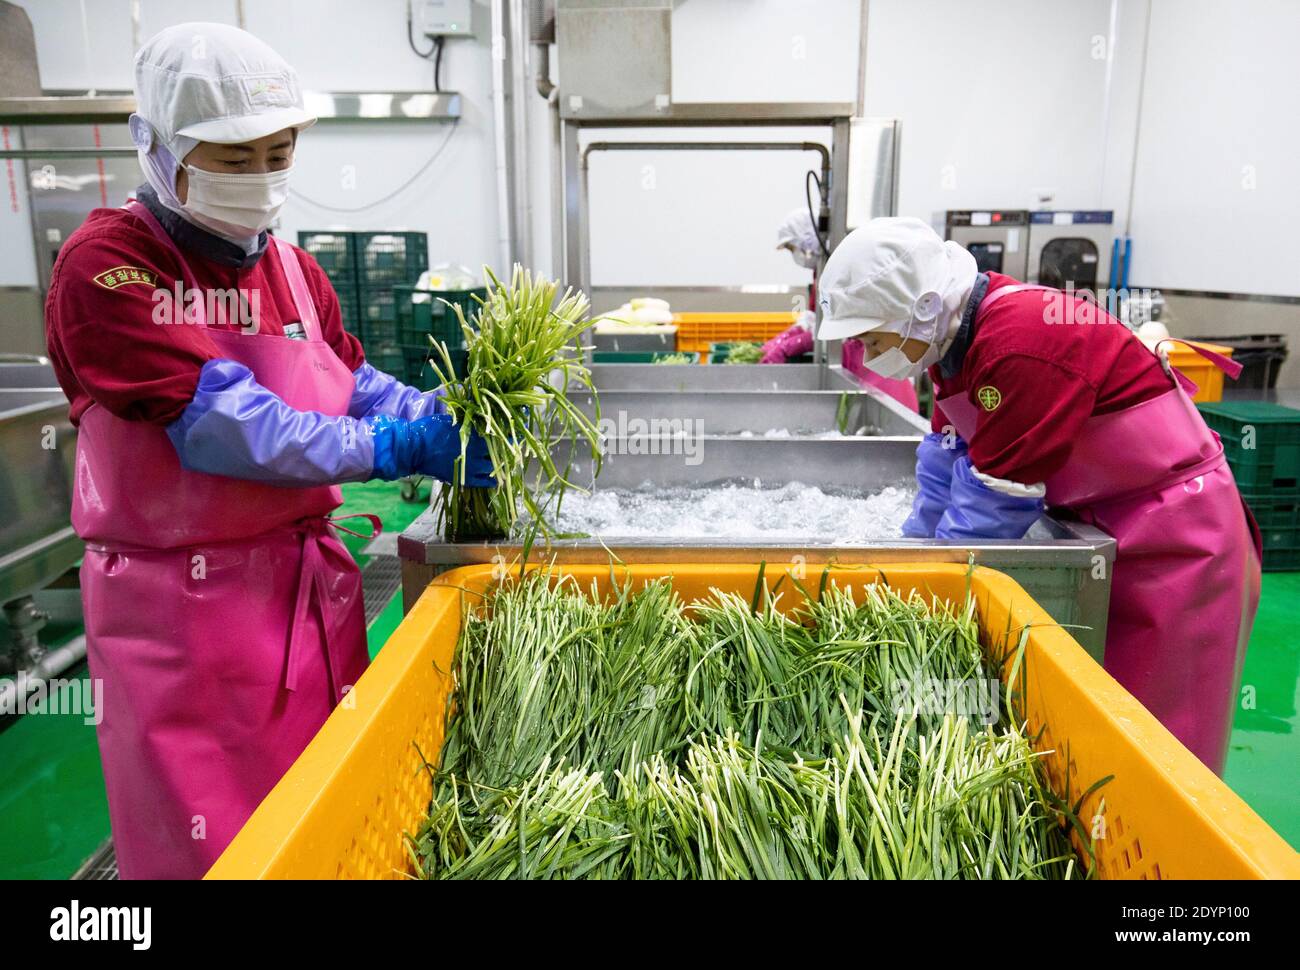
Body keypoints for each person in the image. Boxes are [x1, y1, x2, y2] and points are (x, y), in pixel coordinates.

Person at [44, 23, 493, 879]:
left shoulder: (290, 269)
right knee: (214, 847)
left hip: (304, 600)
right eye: (230, 158)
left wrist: (442, 412)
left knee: (330, 819)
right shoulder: (107, 268)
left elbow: (349, 379)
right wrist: (396, 445)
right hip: (183, 621)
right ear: (161, 149)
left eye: (276, 154)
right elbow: (225, 424)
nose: (258, 179)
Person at [816, 216, 1261, 775]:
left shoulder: (1018, 340)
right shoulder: (952, 340)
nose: (865, 350)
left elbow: (991, 505)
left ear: (920, 306)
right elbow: (946, 466)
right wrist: (908, 558)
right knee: (1096, 729)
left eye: (869, 338)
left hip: (1179, 542)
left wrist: (933, 597)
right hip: (1107, 525)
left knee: (1159, 741)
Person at [765, 209, 920, 412]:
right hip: (861, 371)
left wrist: (797, 342)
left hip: (879, 383)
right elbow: (824, 319)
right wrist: (797, 334)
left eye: (791, 247)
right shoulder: (823, 272)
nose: (795, 255)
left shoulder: (845, 274)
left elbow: (845, 331)